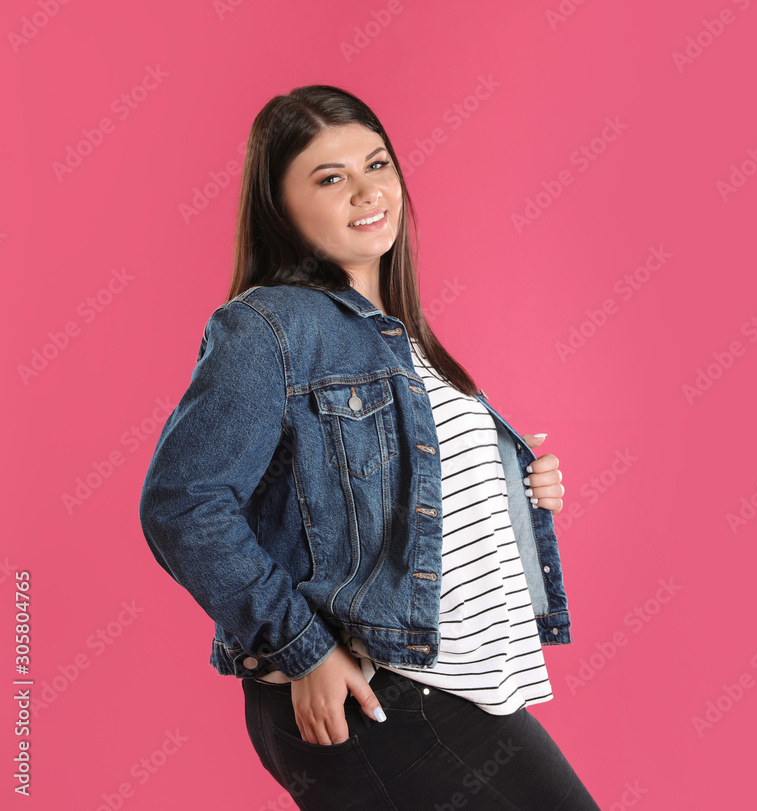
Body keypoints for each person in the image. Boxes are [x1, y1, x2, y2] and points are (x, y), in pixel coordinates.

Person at [138, 84, 600, 810]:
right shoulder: (270, 325)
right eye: (331, 178)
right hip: (381, 692)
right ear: (279, 208)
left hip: (448, 685)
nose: (367, 190)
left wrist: (514, 478)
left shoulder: (399, 336)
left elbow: (376, 505)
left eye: (377, 164)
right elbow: (182, 502)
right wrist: (304, 646)